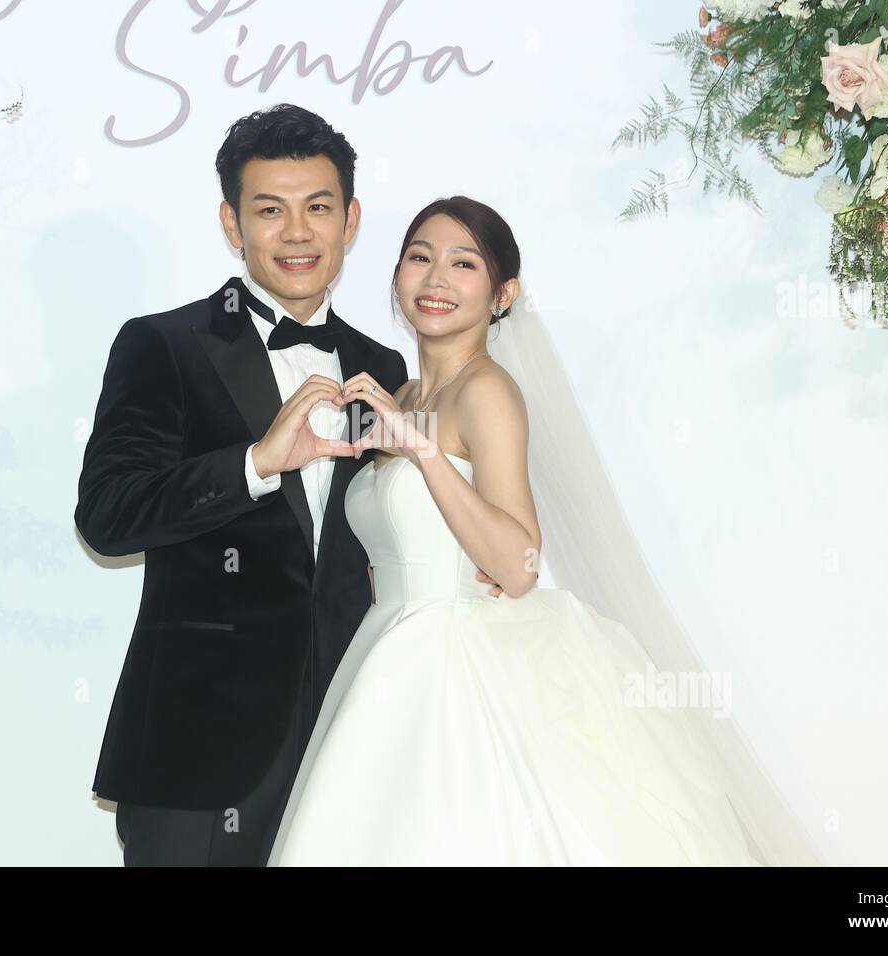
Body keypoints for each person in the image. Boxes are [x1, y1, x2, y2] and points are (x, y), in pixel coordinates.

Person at [267, 196, 825, 866]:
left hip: (458, 659)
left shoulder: (487, 392)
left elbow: (519, 563)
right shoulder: (407, 396)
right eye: (420, 257)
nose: (436, 278)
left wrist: (422, 452)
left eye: (463, 263)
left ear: (503, 294)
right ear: (395, 274)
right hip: (388, 650)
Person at [74, 104, 479, 865]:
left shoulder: (386, 371)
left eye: (318, 208)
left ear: (350, 220)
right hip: (197, 748)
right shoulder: (163, 345)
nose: (298, 233)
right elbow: (107, 515)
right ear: (232, 223)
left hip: (352, 735)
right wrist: (255, 464)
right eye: (270, 210)